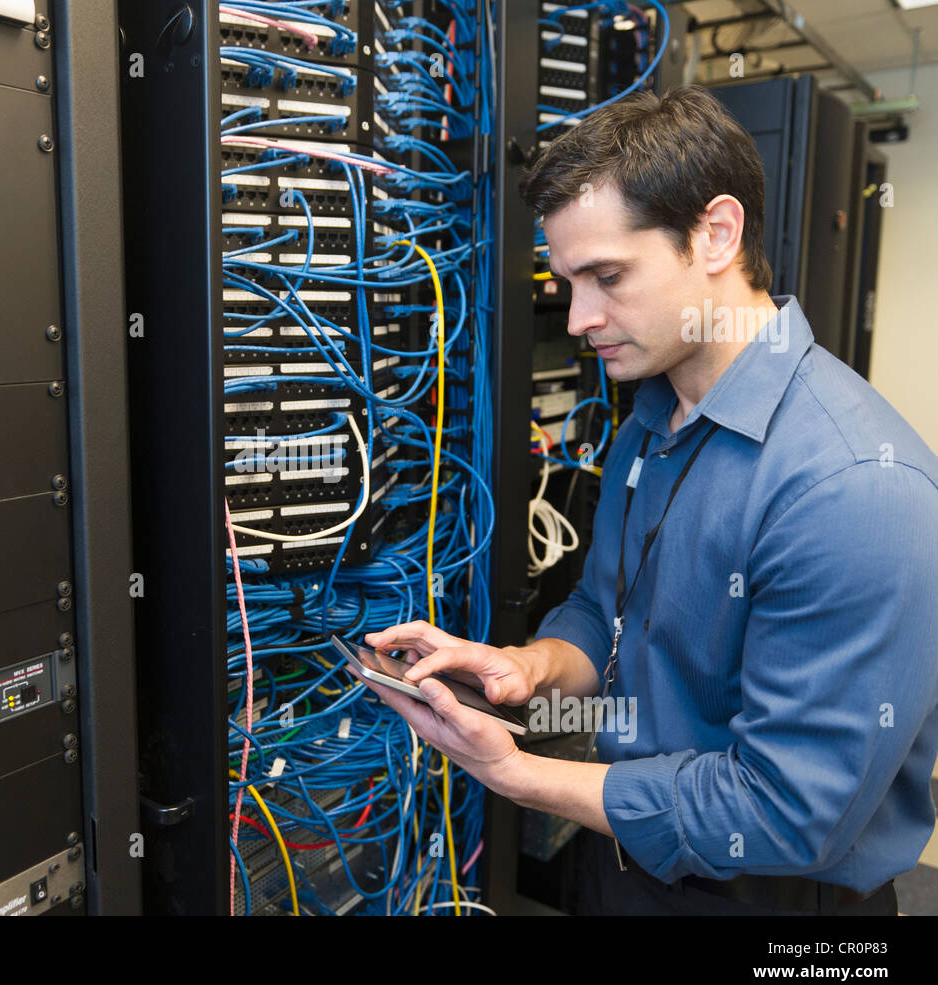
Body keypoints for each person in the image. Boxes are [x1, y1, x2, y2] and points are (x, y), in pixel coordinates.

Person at [349, 85, 938, 915]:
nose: (582, 317)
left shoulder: (854, 487)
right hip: (622, 855)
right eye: (568, 282)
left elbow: (786, 812)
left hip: (768, 900)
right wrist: (525, 670)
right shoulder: (652, 420)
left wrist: (517, 772)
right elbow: (604, 612)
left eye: (608, 277)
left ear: (717, 234)